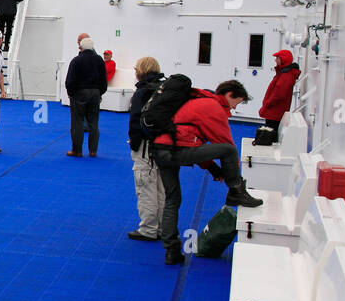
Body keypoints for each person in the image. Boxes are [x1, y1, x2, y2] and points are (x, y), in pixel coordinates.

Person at [153, 79, 264, 265]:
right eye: (237, 103)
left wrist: (212, 168)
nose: (235, 108)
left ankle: (171, 250)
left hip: (160, 149)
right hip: (176, 149)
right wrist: (232, 176)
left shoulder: (199, 101)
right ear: (229, 95)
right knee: (229, 150)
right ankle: (237, 192)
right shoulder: (213, 107)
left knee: (172, 199)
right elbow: (224, 143)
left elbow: (192, 140)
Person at [126, 57, 166, 240]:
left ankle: (148, 228)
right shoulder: (164, 88)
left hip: (145, 147)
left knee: (145, 186)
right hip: (163, 144)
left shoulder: (142, 91)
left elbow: (135, 120)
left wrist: (134, 143)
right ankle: (161, 226)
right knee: (160, 187)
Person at [64, 37, 108, 157]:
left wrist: (71, 93)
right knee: (94, 123)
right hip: (95, 93)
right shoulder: (99, 60)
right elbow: (104, 80)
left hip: (80, 93)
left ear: (81, 48)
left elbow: (70, 80)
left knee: (77, 122)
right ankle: (93, 151)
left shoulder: (76, 60)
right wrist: (100, 92)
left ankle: (77, 150)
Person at [259, 49, 301, 131]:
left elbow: (279, 94)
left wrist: (268, 103)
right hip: (276, 112)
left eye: (277, 57)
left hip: (274, 112)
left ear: (283, 59)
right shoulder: (285, 74)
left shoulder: (285, 75)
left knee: (270, 134)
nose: (275, 60)